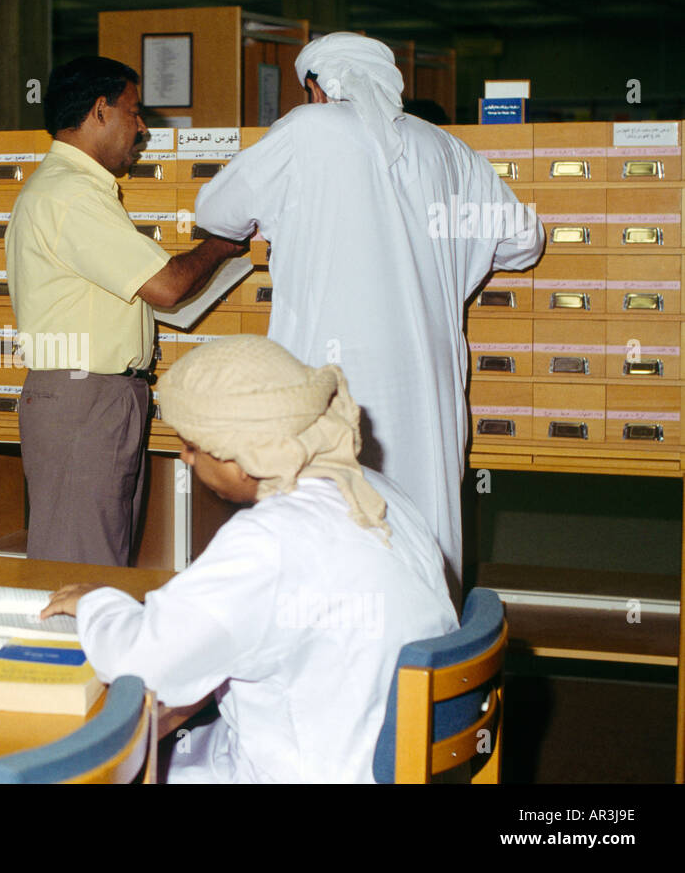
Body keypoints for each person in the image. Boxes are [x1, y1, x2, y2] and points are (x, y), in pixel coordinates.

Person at [194, 33, 544, 589]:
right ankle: (426, 661)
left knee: (328, 520)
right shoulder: (447, 150)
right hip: (423, 378)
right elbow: (524, 241)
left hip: (327, 378)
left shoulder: (307, 131)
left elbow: (216, 210)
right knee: (422, 521)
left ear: (317, 86)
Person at [42, 335, 457, 783]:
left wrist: (96, 603)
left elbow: (141, 664)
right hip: (385, 758)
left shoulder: (271, 539)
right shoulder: (375, 489)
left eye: (192, 446)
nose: (184, 458)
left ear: (244, 459)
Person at [6, 56, 248, 566]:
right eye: (133, 112)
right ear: (100, 111)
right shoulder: (71, 196)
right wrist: (222, 244)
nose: (141, 128)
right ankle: (65, 649)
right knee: (79, 566)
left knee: (101, 558)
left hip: (98, 396)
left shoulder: (76, 190)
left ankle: (89, 646)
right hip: (85, 398)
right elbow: (165, 285)